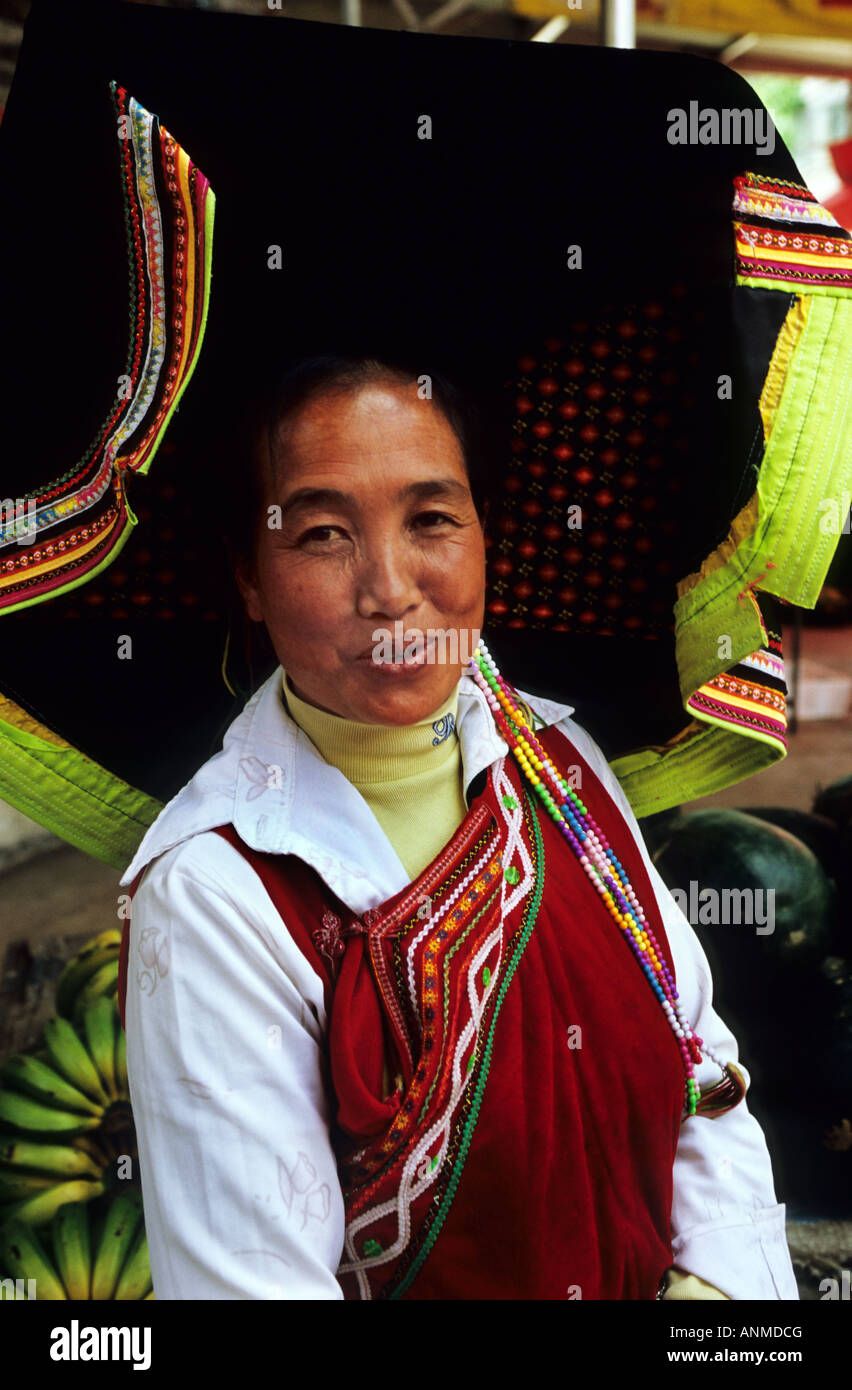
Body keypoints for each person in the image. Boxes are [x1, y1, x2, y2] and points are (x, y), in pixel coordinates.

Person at [117, 355, 799, 1301]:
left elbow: (703, 1078)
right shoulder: (218, 898)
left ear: (486, 536)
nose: (390, 588)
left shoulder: (561, 770)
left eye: (432, 519)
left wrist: (719, 1298)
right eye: (322, 534)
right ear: (250, 576)